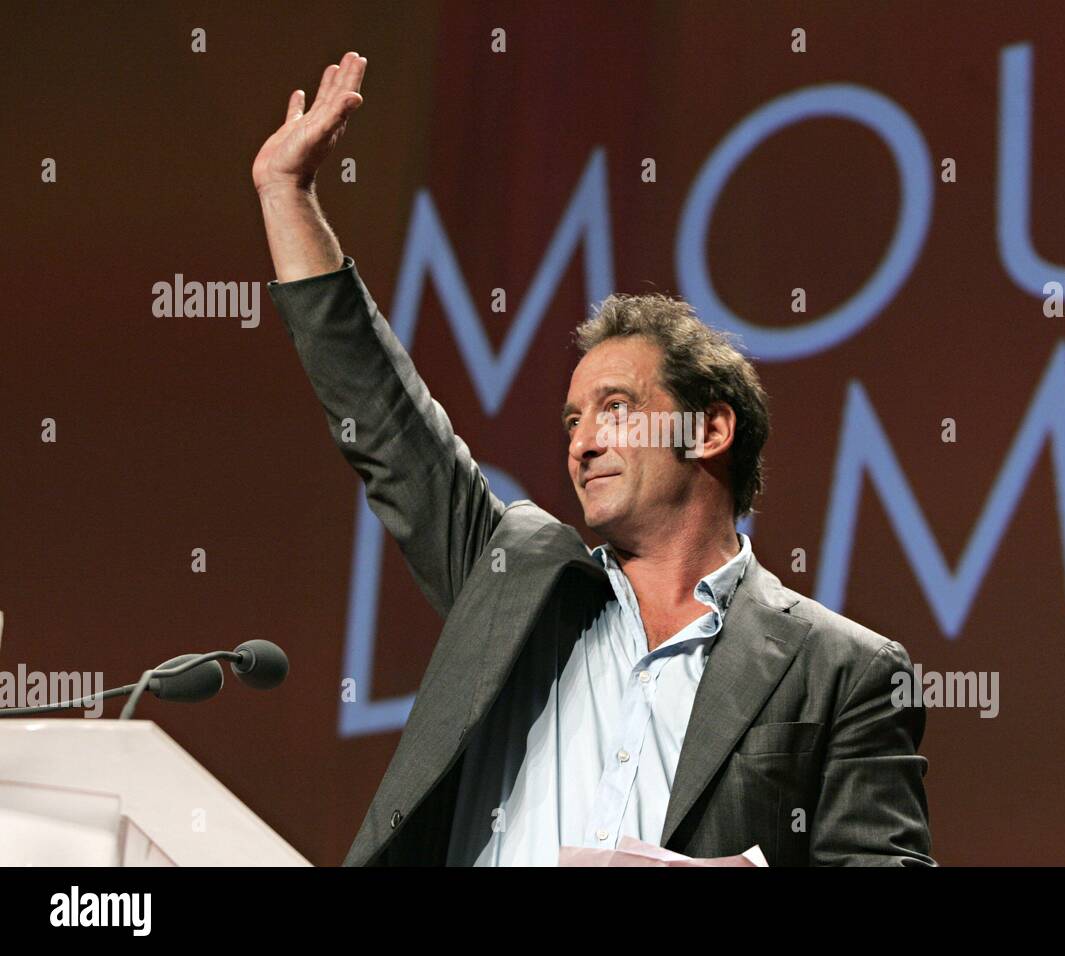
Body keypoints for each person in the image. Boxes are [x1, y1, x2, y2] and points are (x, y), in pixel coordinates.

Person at [254, 52, 935, 866]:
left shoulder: (839, 668)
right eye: (572, 419)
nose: (581, 441)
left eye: (617, 409)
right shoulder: (515, 584)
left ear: (710, 431)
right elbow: (389, 425)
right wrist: (286, 197)